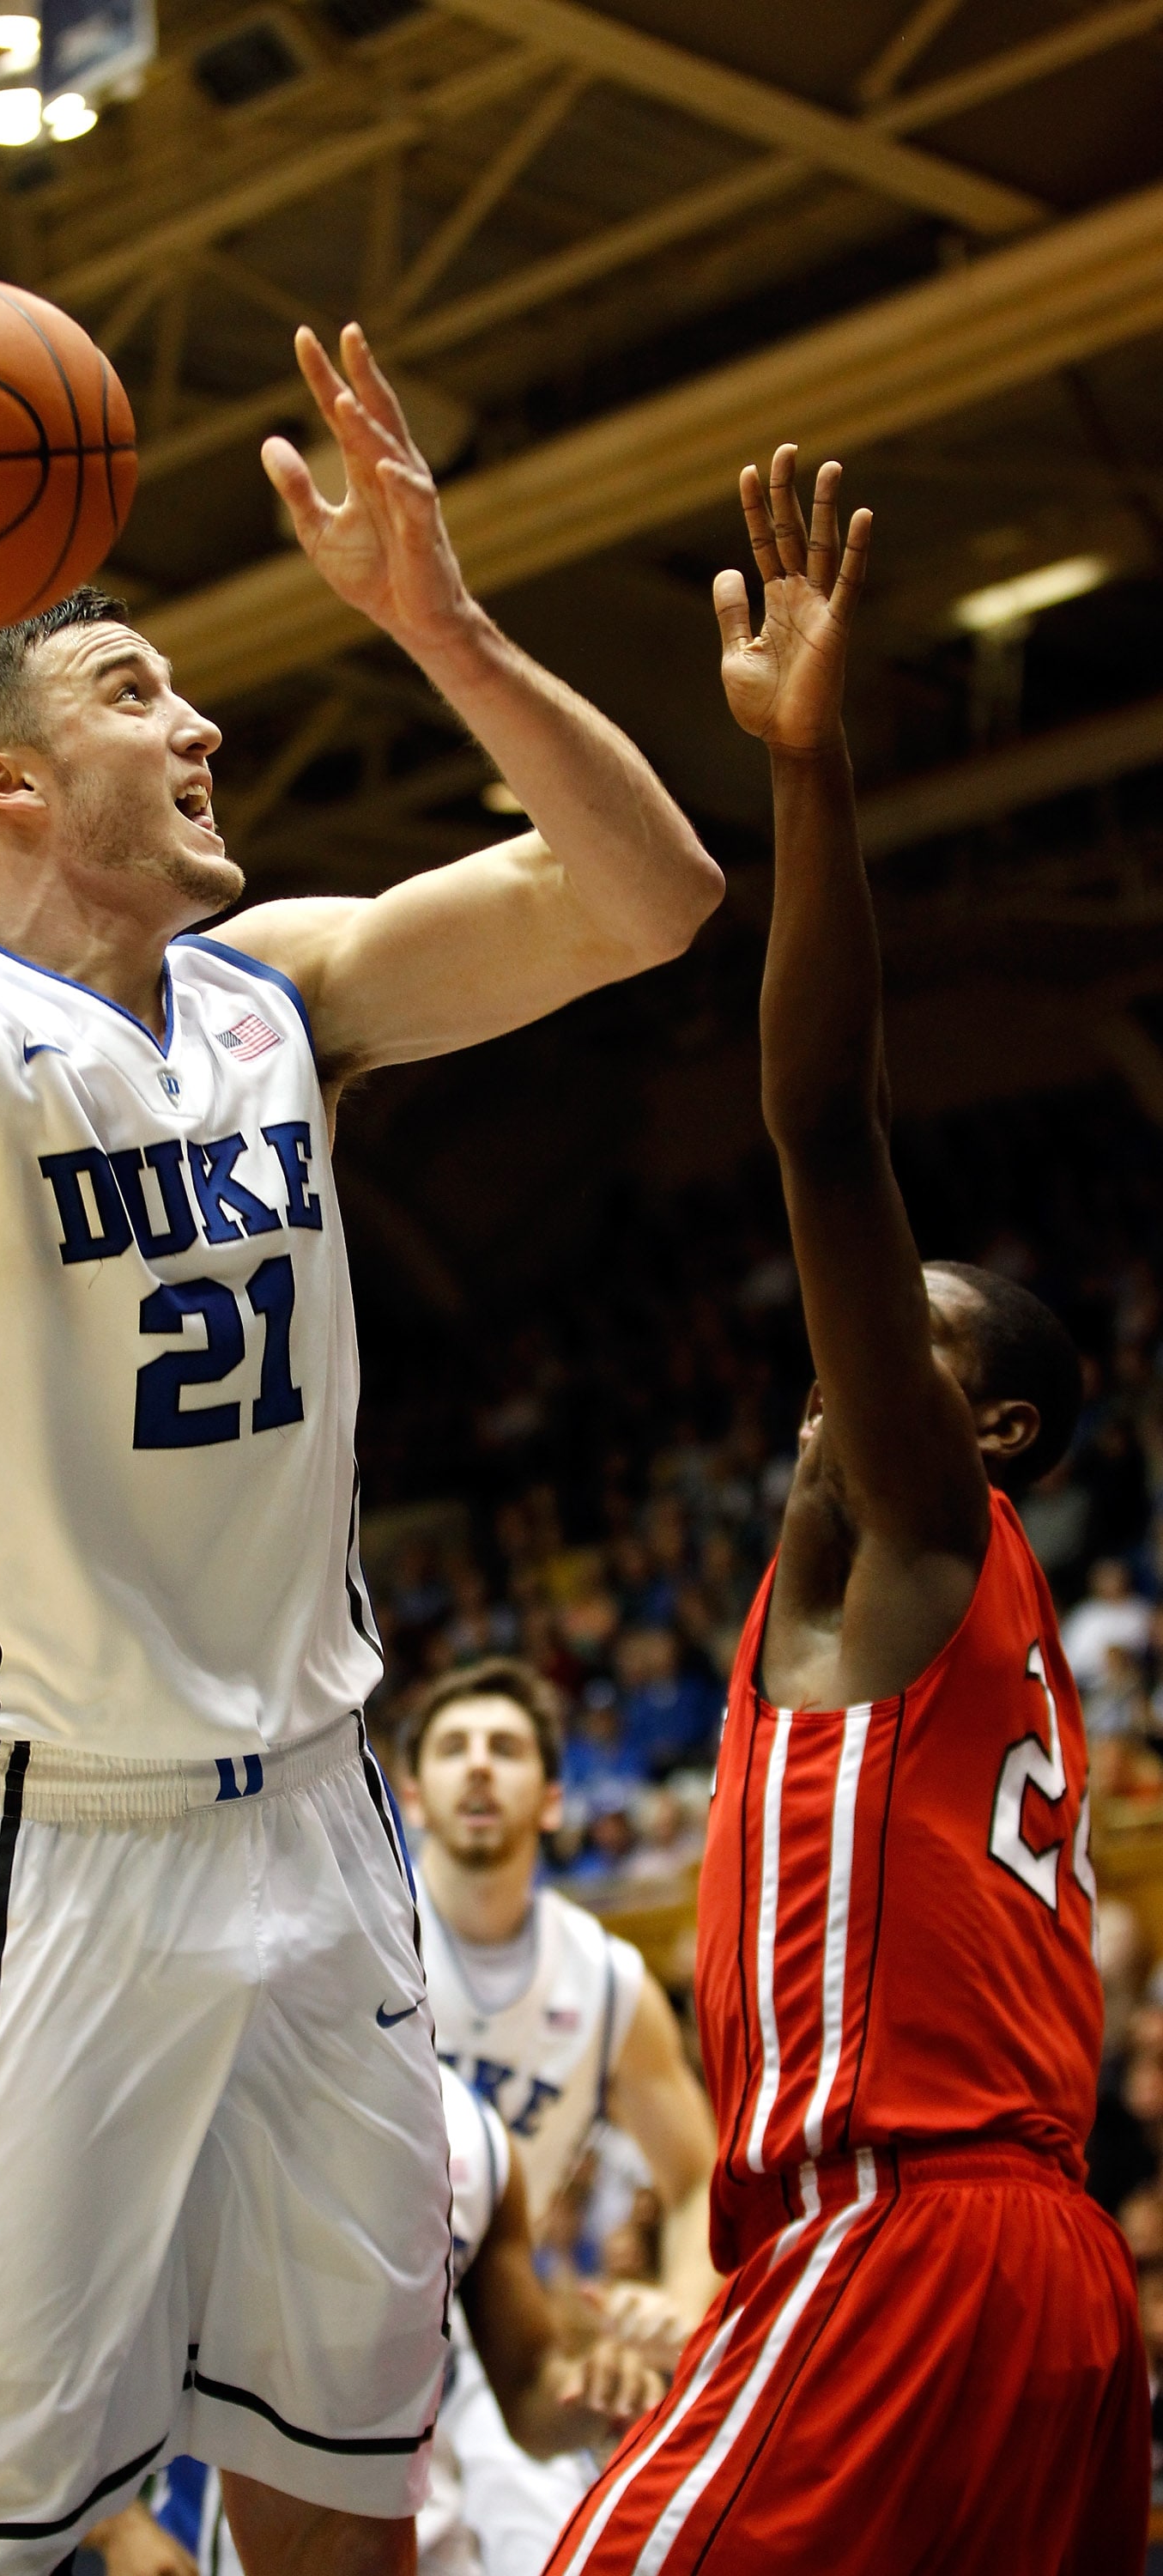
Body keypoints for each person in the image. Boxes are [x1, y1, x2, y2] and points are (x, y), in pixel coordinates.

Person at [0, 310, 724, 2576]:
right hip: (62, 1854)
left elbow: (651, 903)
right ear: (2, 786)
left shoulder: (289, 994)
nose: (203, 725)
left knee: (341, 2493)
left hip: (322, 1836)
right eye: (137, 699)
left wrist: (439, 621)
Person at [545, 453, 1148, 2576]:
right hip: (1036, 2269)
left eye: (906, 1325)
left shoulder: (918, 1535)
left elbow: (814, 1124)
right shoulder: (967, 1635)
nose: (844, 1340)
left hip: (898, 2233)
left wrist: (803, 771)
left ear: (981, 1424)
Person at [150, 2063, 665, 2576]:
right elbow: (87, 2317)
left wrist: (595, 2391)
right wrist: (120, 2526)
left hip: (409, 2527)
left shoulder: (474, 2134)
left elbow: (530, 2388)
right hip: (222, 2529)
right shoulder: (224, 2083)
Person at [403, 1660, 719, 2330]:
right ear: (412, 1798)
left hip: (495, 2342)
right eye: (455, 1748)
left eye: (506, 1749)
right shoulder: (358, 1943)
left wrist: (681, 2305)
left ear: (553, 1799)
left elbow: (698, 2183)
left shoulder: (609, 1981)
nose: (480, 1766)